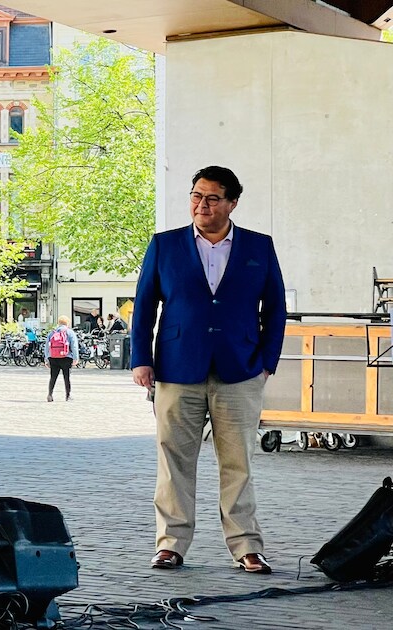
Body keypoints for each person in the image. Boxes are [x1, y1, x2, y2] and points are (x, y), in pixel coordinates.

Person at [131, 166, 286, 575]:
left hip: (240, 370)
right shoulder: (165, 245)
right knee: (174, 461)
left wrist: (266, 363)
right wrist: (141, 359)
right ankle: (170, 544)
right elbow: (144, 306)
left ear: (232, 203)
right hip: (176, 368)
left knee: (238, 463)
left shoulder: (259, 247)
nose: (202, 205)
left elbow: (275, 309)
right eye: (196, 196)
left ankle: (246, 546)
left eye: (213, 198)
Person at [46, 316, 79, 402]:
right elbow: (74, 346)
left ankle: (50, 394)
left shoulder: (52, 333)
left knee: (53, 377)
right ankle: (68, 395)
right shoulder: (69, 332)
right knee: (66, 377)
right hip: (66, 357)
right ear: (67, 323)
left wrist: (47, 358)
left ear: (59, 323)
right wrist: (75, 358)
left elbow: (47, 346)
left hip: (53, 357)